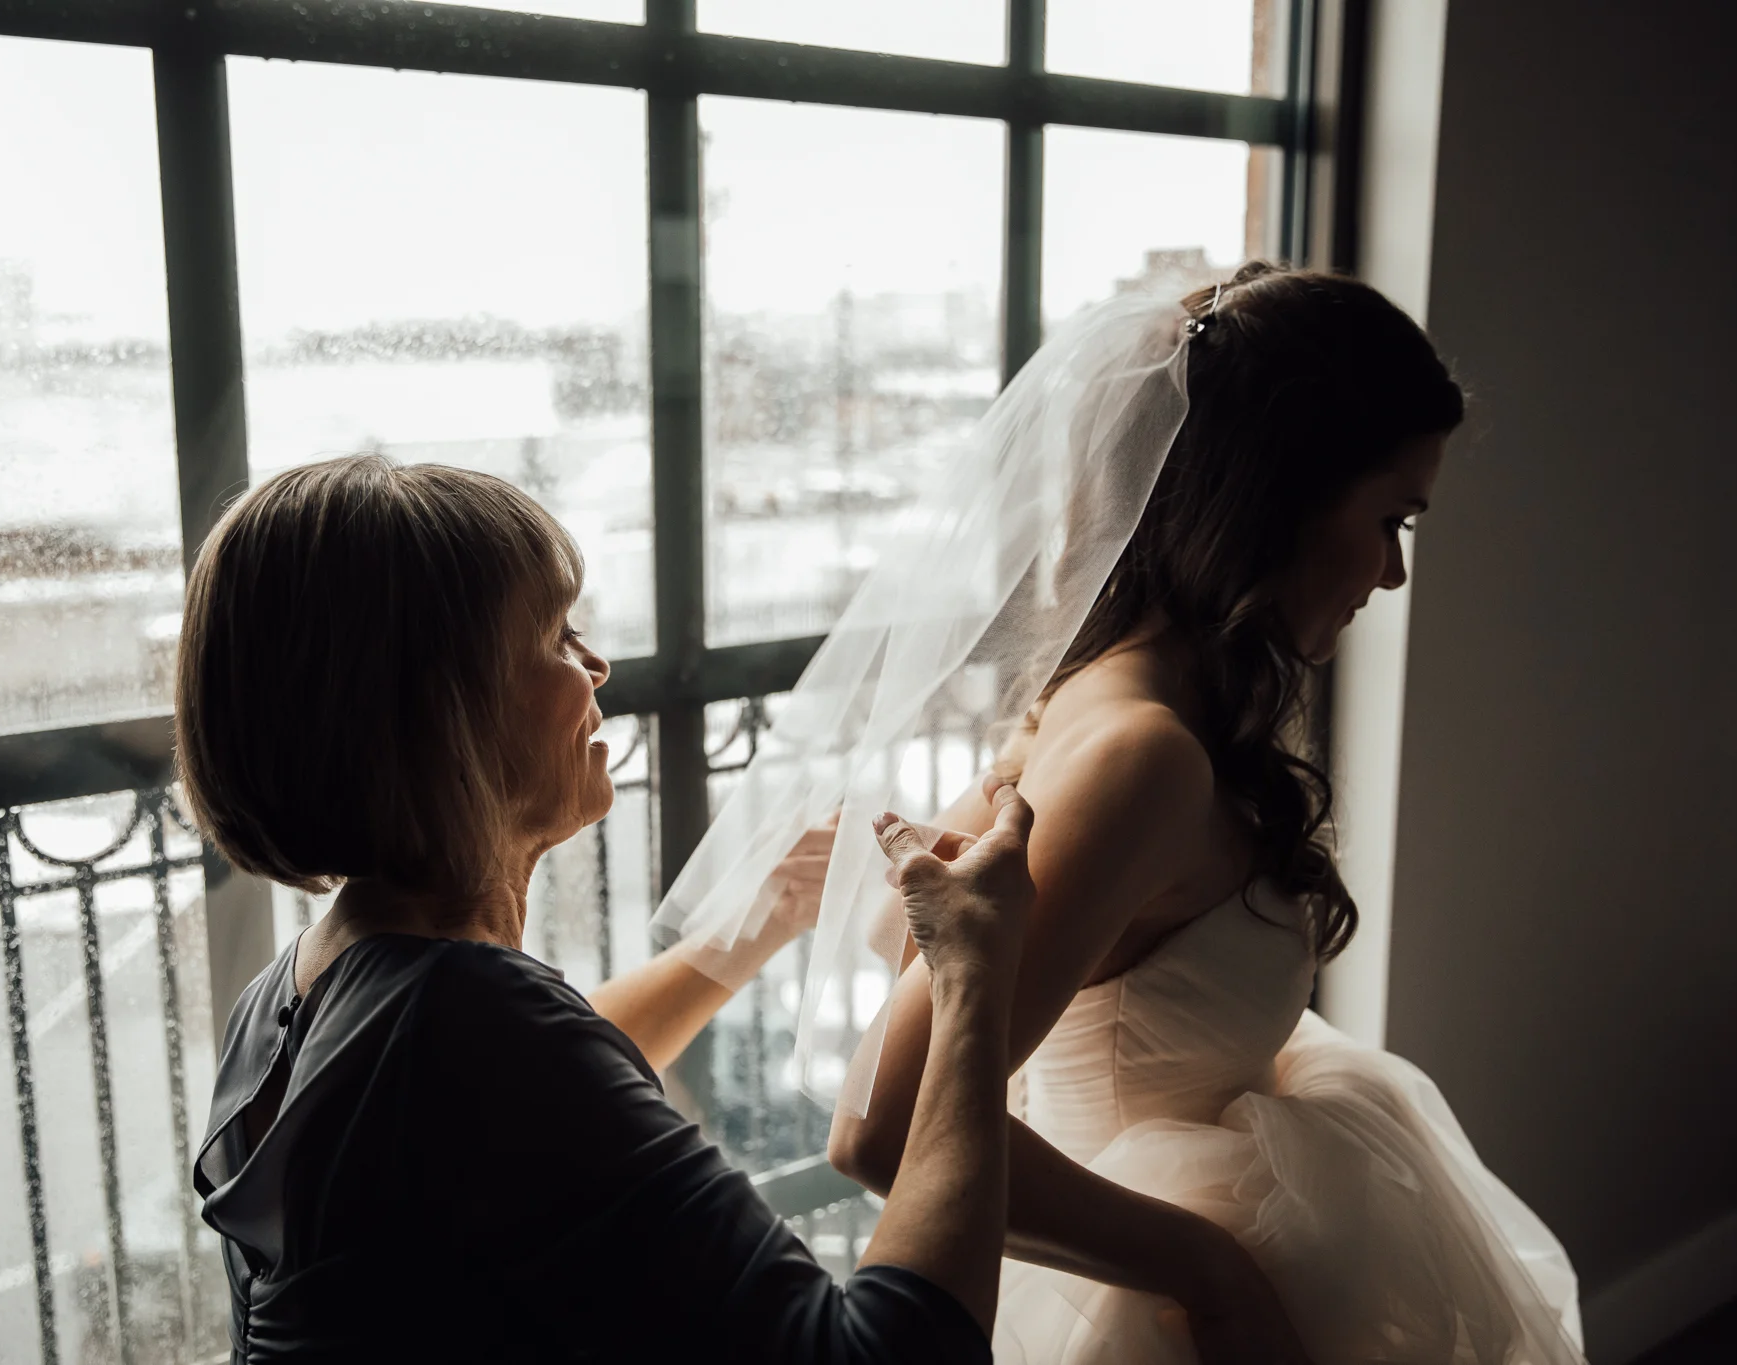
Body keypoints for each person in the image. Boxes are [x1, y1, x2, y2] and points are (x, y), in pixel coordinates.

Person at [671, 264, 1586, 1364]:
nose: (1391, 572)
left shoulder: (1098, 692)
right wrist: (1211, 1269)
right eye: (1388, 518)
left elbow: (894, 930)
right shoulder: (1142, 754)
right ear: (1279, 498)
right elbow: (881, 1127)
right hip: (1146, 1296)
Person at [177, 454, 1040, 1363]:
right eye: (555, 637)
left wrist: (760, 922)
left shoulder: (290, 997)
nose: (598, 665)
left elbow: (537, 1100)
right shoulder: (474, 1026)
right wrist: (971, 973)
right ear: (444, 713)